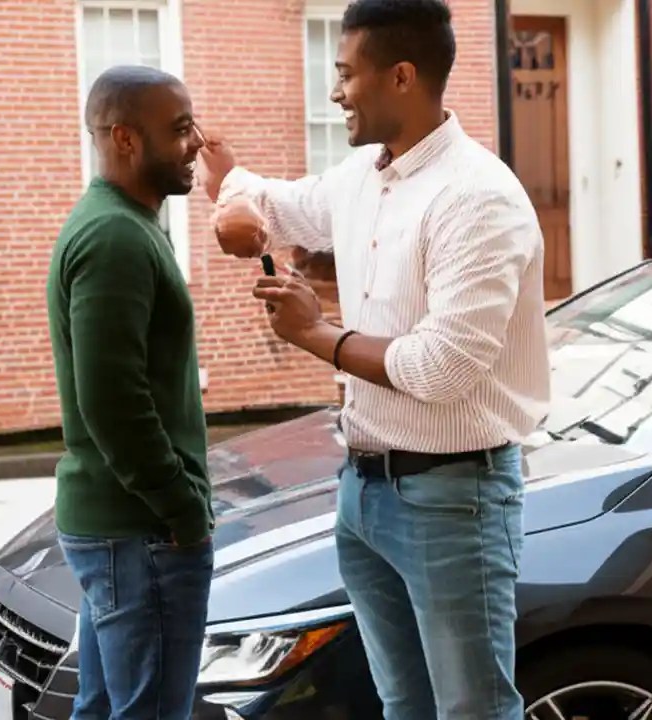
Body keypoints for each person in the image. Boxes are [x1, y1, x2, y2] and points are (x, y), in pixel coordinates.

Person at [197, 0, 550, 717]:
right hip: (363, 492)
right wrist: (229, 185)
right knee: (403, 707)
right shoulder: (363, 175)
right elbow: (280, 206)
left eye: (345, 73)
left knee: (474, 710)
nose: (335, 93)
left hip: (453, 498)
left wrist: (316, 334)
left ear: (401, 77)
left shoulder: (478, 197)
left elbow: (442, 367)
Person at [45, 65, 215, 720]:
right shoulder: (114, 236)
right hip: (141, 533)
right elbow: (112, 401)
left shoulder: (126, 224)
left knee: (99, 710)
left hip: (125, 531)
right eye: (180, 129)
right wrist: (181, 509)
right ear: (125, 138)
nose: (196, 142)